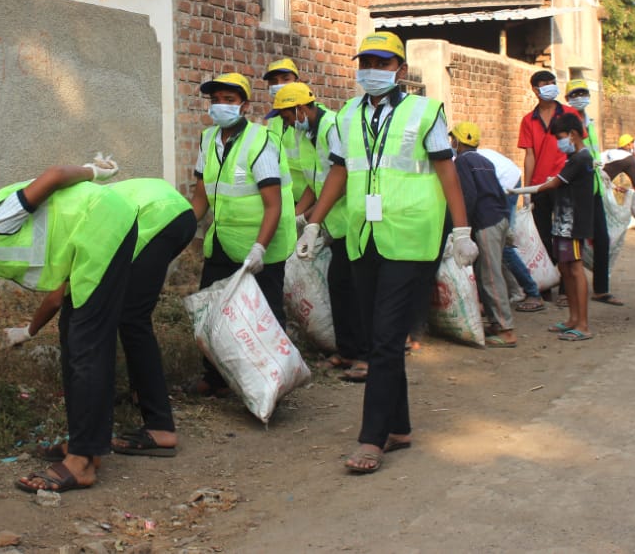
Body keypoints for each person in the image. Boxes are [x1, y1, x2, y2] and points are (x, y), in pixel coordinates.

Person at [293, 30, 476, 474]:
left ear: (400, 70)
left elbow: (446, 171)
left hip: (412, 237)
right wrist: (314, 222)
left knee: (385, 338)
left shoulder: (424, 112)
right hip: (364, 237)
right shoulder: (346, 116)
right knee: (383, 335)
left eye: (382, 63)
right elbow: (340, 172)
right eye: (366, 63)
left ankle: (372, 438)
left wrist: (462, 230)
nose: (372, 71)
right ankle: (400, 428)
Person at [0, 156, 138, 493]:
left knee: (86, 346)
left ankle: (81, 462)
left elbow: (55, 175)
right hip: (88, 240)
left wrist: (95, 171)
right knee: (74, 340)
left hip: (103, 225)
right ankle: (86, 448)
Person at [190, 72, 295, 397]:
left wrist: (259, 248)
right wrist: (180, 232)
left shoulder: (260, 141)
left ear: (245, 105)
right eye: (215, 100)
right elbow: (200, 197)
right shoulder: (208, 140)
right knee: (213, 311)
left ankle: (271, 385)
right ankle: (215, 377)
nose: (220, 106)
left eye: (229, 100)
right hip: (222, 242)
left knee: (266, 316)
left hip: (261, 246)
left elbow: (273, 204)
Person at [273, 81, 368, 381]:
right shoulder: (305, 135)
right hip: (335, 224)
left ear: (301, 109)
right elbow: (315, 184)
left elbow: (341, 181)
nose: (288, 124)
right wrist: (295, 218)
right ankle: (347, 351)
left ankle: (366, 356)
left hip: (353, 220)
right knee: (338, 285)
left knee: (357, 289)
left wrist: (312, 219)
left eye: (288, 117)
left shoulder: (332, 128)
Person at [511, 113, 596, 341]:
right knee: (566, 270)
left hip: (573, 225)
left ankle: (583, 325)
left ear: (573, 135)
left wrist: (521, 191)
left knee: (575, 270)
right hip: (562, 224)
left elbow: (554, 183)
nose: (559, 143)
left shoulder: (581, 159)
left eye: (560, 138)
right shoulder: (572, 159)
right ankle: (573, 319)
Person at [449, 122, 518, 347]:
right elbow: (499, 191)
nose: (451, 142)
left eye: (452, 139)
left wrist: (462, 229)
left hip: (486, 222)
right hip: (499, 219)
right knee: (489, 272)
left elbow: (468, 196)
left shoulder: (462, 162)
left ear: (457, 142)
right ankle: (496, 323)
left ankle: (506, 330)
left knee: (490, 276)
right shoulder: (485, 161)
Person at [517, 70, 582, 307]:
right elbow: (530, 155)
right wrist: (528, 189)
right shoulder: (528, 120)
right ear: (535, 89)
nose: (550, 86)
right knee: (542, 235)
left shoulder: (570, 113)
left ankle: (566, 289)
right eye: (545, 83)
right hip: (541, 185)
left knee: (565, 235)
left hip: (566, 182)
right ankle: (544, 284)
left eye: (553, 82)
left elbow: (579, 146)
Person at [564, 80, 623, 307]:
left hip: (595, 187)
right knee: (573, 241)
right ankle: (566, 289)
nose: (580, 97)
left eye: (583, 93)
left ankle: (601, 289)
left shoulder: (590, 123)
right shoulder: (567, 123)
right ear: (568, 99)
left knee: (601, 239)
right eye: (575, 94)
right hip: (577, 190)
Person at [474, 140, 546, 312]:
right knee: (494, 243)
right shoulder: (466, 158)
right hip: (508, 179)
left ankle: (532, 292)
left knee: (503, 243)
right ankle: (515, 291)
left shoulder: (458, 162)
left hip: (507, 185)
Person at [262, 57, 311, 206]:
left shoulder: (308, 117)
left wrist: (300, 212)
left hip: (310, 201)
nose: (279, 85)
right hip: (285, 200)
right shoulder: (273, 120)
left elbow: (323, 172)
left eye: (285, 79)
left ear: (298, 81)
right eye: (273, 81)